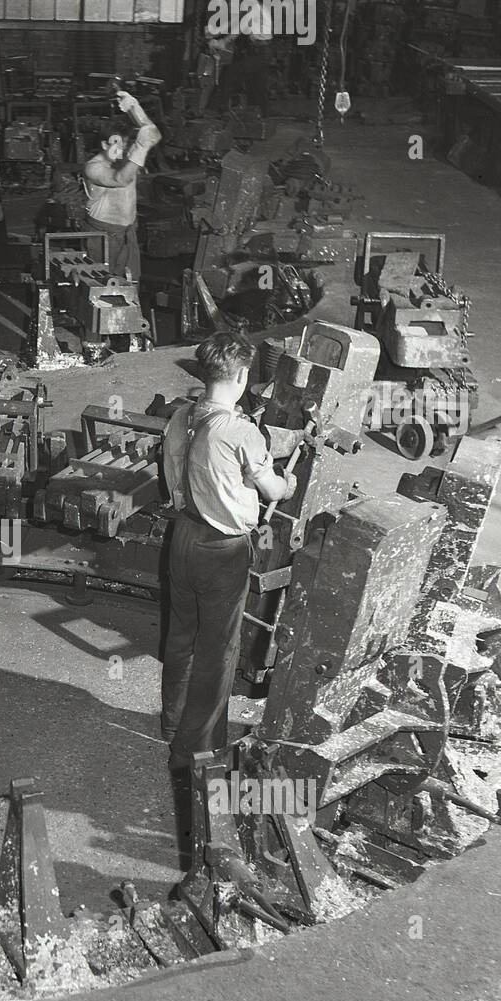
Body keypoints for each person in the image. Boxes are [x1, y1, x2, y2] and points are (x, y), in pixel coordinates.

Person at [159, 332, 295, 783]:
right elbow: (273, 489)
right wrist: (286, 481)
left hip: (181, 539)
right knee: (218, 651)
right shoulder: (242, 433)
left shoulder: (181, 417)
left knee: (182, 636)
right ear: (240, 374)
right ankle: (196, 750)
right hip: (222, 551)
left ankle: (174, 723)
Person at [81, 89, 161, 282]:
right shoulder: (93, 168)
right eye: (116, 144)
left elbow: (153, 135)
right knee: (101, 286)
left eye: (124, 144)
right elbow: (119, 179)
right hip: (103, 236)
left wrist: (135, 108)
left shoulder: (125, 158)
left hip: (127, 232)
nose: (122, 149)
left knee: (130, 285)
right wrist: (140, 149)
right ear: (103, 145)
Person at [219, 0, 273, 115]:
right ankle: (260, 117)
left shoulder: (256, 8)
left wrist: (222, 42)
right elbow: (236, 21)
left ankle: (221, 111)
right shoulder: (251, 8)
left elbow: (239, 28)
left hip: (261, 52)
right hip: (258, 51)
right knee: (257, 85)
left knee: (229, 72)